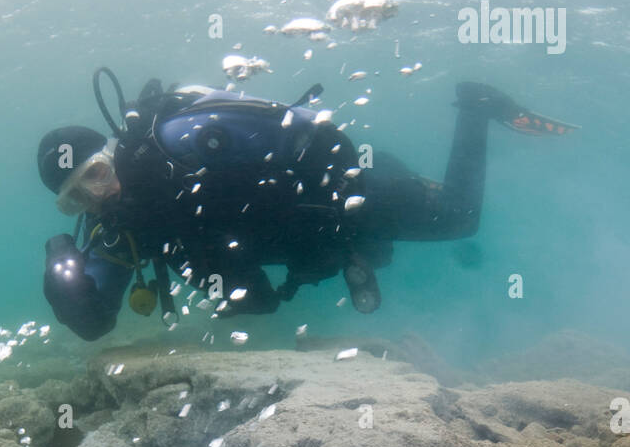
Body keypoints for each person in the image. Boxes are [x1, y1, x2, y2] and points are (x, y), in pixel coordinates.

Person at [37, 73, 575, 339]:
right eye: (76, 199)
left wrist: (348, 199)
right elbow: (93, 322)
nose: (99, 195)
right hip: (312, 244)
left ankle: (476, 107)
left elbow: (309, 130)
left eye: (96, 174)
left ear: (112, 151)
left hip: (338, 206)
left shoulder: (181, 137)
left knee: (460, 218)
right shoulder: (118, 228)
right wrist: (61, 269)